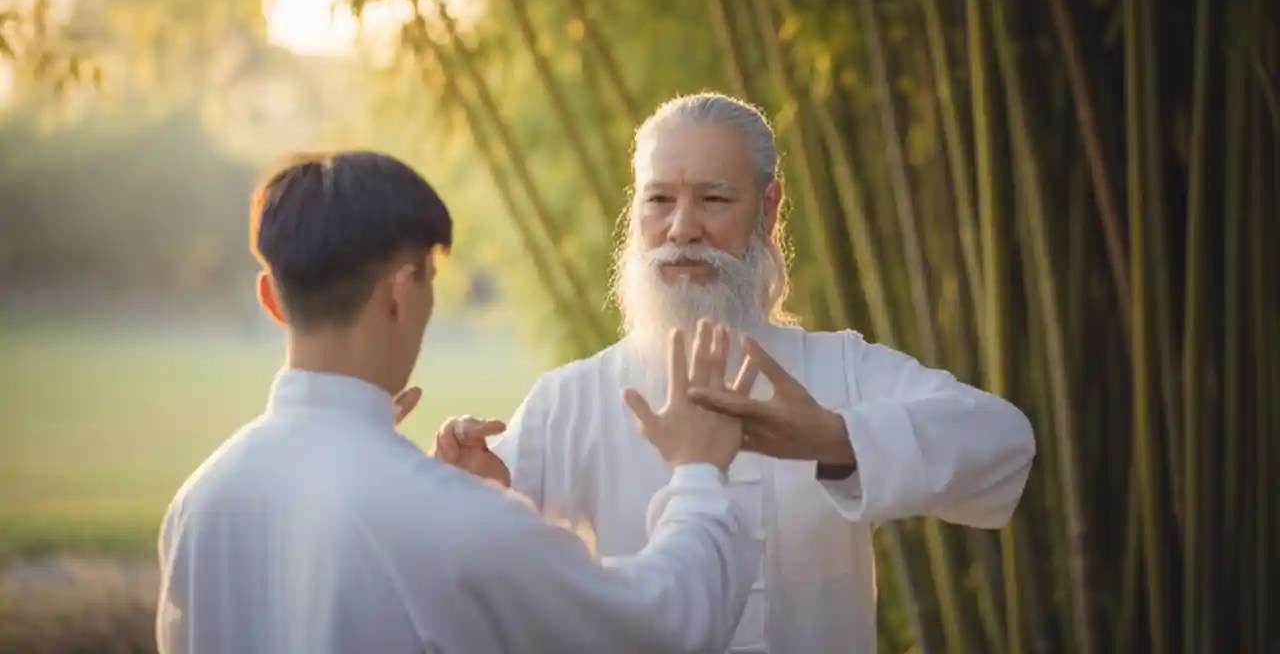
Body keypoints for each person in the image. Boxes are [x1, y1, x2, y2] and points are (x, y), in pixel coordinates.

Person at [431, 94, 1038, 653]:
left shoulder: (838, 368)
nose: (682, 229)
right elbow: (487, 575)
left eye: (715, 199)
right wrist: (483, 487)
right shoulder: (574, 398)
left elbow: (1004, 442)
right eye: (659, 200)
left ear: (768, 209)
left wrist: (831, 438)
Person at [155, 151, 759, 654]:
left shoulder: (201, 502)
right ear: (401, 292)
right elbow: (660, 627)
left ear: (272, 298)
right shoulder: (450, 518)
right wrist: (699, 475)